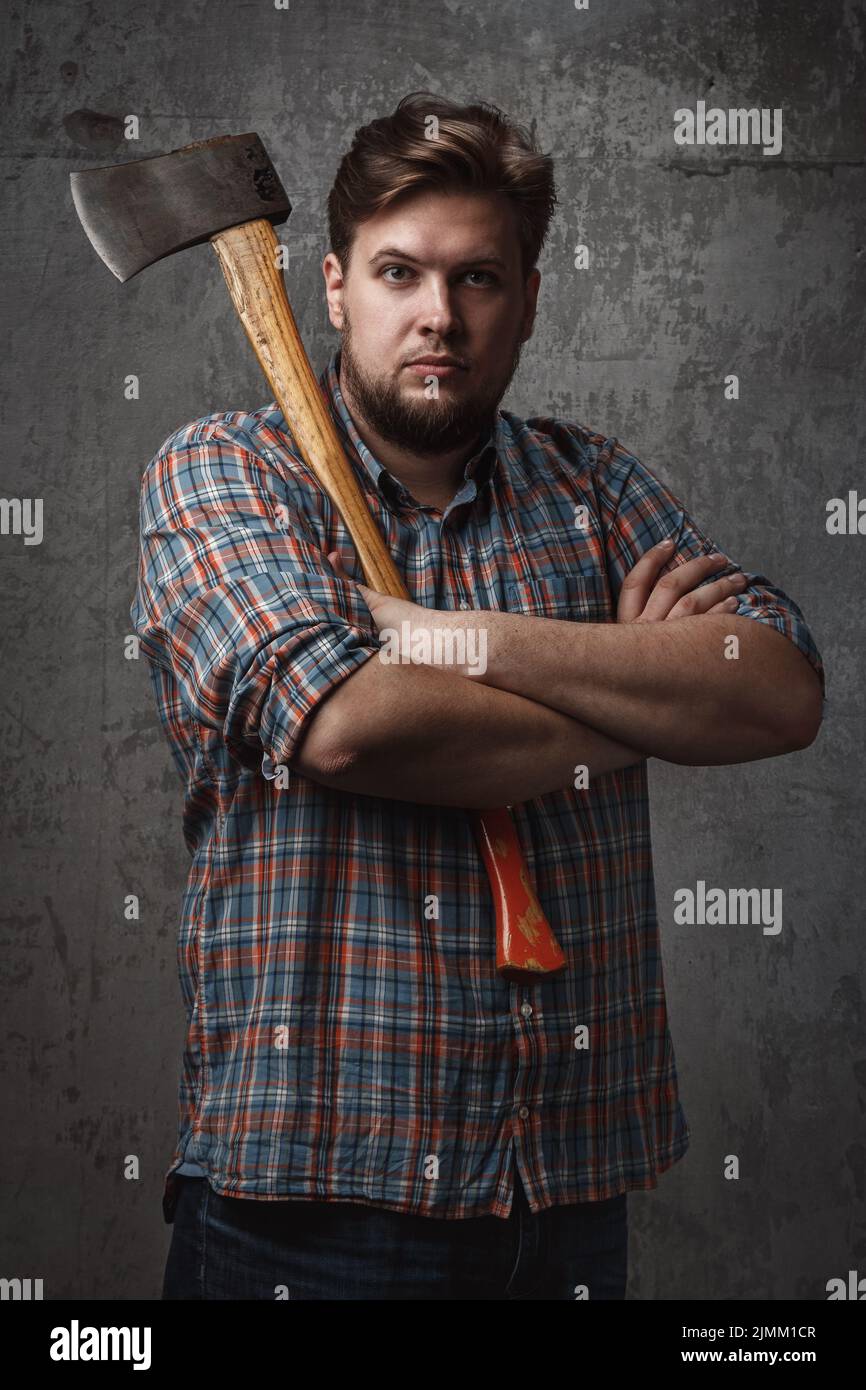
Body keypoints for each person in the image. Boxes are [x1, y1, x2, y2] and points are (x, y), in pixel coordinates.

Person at [131, 91, 825, 1300]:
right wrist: (622, 689)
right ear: (336, 285)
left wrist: (450, 639)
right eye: (399, 273)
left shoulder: (592, 486)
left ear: (530, 297)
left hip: (558, 1203)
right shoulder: (225, 474)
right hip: (307, 1207)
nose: (437, 316)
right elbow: (343, 724)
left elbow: (770, 690)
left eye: (478, 279)